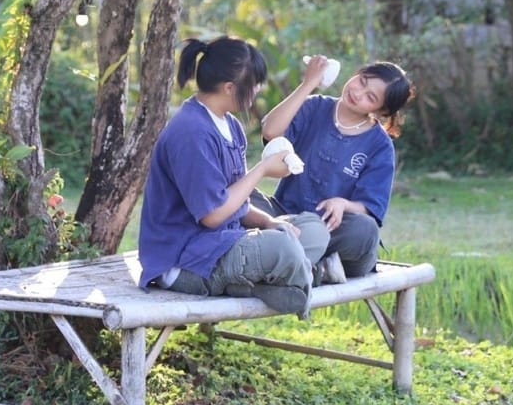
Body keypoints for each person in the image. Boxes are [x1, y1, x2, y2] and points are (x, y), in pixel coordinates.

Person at [138, 36, 326, 318]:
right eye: (255, 84)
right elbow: (213, 215)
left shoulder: (231, 126)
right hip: (186, 261)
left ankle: (265, 282)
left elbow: (235, 201)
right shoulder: (192, 132)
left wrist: (268, 221)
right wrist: (262, 169)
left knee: (311, 229)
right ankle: (296, 276)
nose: (258, 90)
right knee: (282, 246)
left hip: (224, 242)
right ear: (229, 87)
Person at [255, 55, 415, 282]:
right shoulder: (314, 106)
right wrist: (308, 84)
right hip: (285, 218)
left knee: (365, 229)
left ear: (381, 111)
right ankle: (308, 266)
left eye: (370, 97)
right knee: (241, 196)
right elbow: (270, 131)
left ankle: (301, 262)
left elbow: (370, 207)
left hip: (332, 232)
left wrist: (344, 204)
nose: (358, 93)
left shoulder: (380, 145)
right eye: (362, 81)